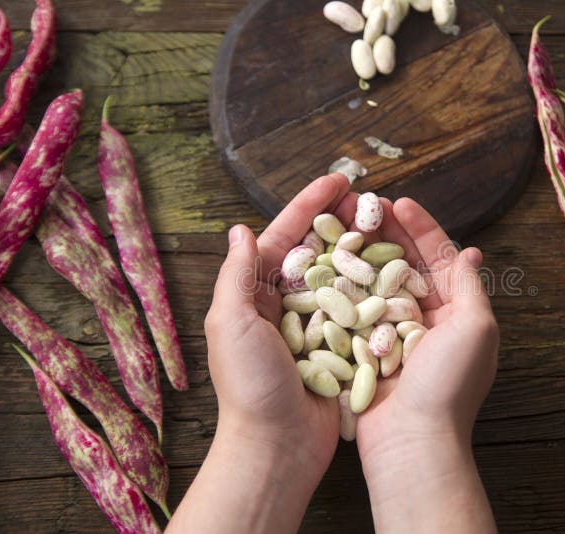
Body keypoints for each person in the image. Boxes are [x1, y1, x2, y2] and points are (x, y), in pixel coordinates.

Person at [166, 174, 499, 533]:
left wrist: (260, 435)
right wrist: (424, 434)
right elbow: (349, 316)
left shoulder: (365, 306)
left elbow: (355, 316)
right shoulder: (339, 299)